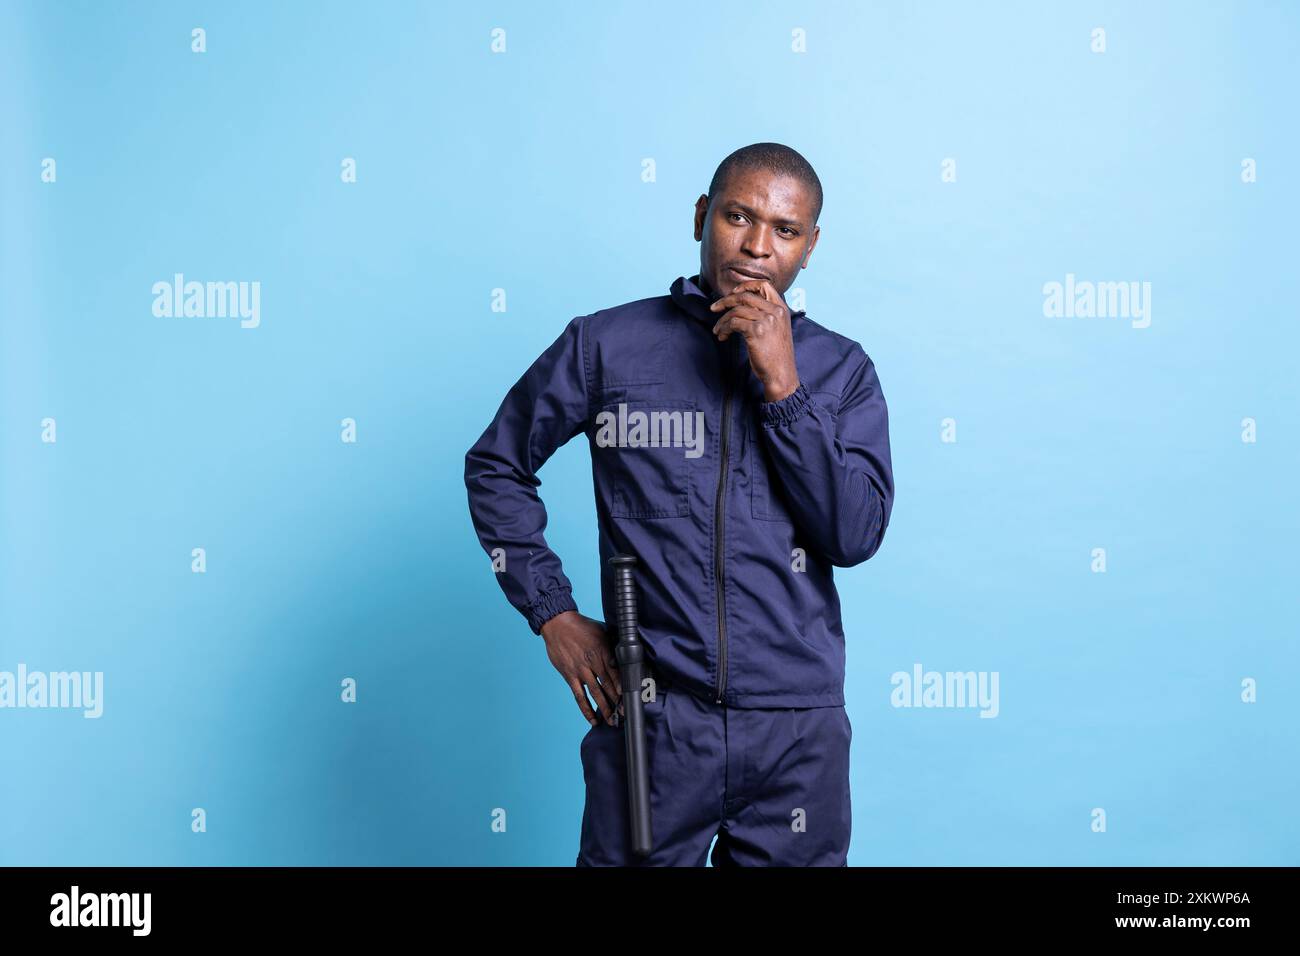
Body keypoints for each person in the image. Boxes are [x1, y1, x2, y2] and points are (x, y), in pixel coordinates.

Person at [464, 142, 895, 866]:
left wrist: (784, 386)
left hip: (797, 734)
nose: (758, 247)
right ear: (702, 215)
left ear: (810, 248)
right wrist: (553, 613)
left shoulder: (841, 371)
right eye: (737, 216)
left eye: (785, 231)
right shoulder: (606, 346)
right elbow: (497, 463)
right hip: (656, 723)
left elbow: (854, 535)